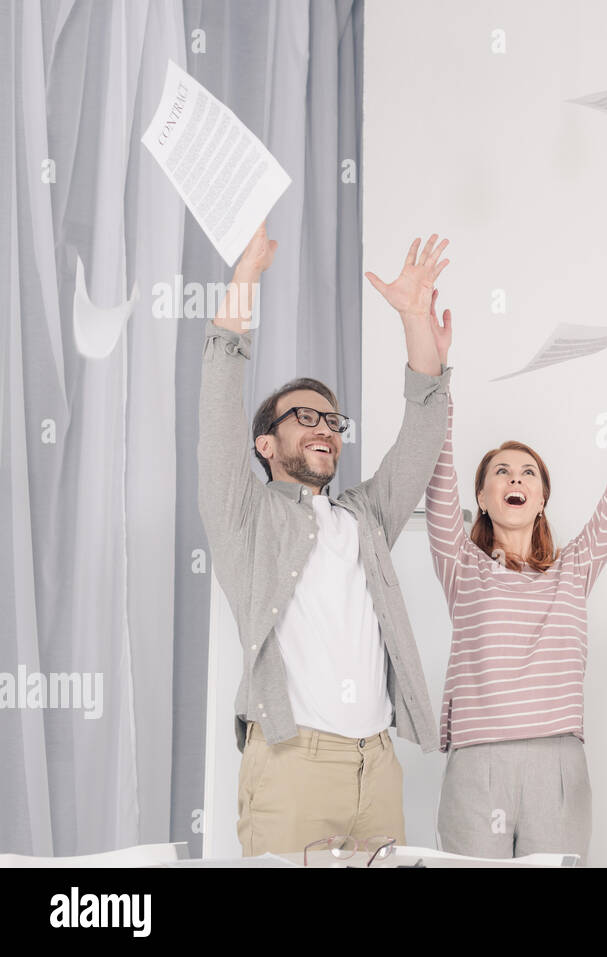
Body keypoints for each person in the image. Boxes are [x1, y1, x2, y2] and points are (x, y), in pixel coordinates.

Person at [198, 225, 454, 856]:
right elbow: (218, 399)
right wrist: (247, 275)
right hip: (292, 762)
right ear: (266, 444)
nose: (325, 429)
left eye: (333, 421)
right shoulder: (245, 515)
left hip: (377, 765)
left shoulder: (363, 517)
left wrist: (416, 320)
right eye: (304, 417)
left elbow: (422, 432)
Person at [426, 309, 607, 862]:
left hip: (560, 764)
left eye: (527, 473)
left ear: (542, 496)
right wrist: (437, 370)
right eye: (501, 471)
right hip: (479, 764)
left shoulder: (574, 570)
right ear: (482, 496)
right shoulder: (461, 563)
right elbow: (438, 469)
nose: (515, 478)